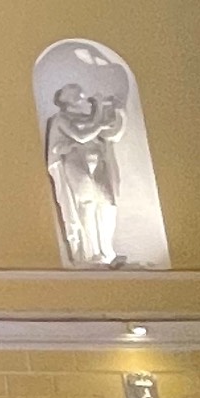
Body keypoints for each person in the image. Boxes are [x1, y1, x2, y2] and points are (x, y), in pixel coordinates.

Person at [45, 82, 124, 265]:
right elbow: (81, 136)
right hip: (75, 163)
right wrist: (99, 114)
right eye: (79, 96)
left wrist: (120, 113)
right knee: (87, 204)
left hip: (97, 163)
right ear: (68, 100)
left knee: (108, 203)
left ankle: (106, 249)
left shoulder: (91, 118)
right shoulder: (61, 119)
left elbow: (113, 134)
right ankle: (90, 252)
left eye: (82, 95)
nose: (84, 98)